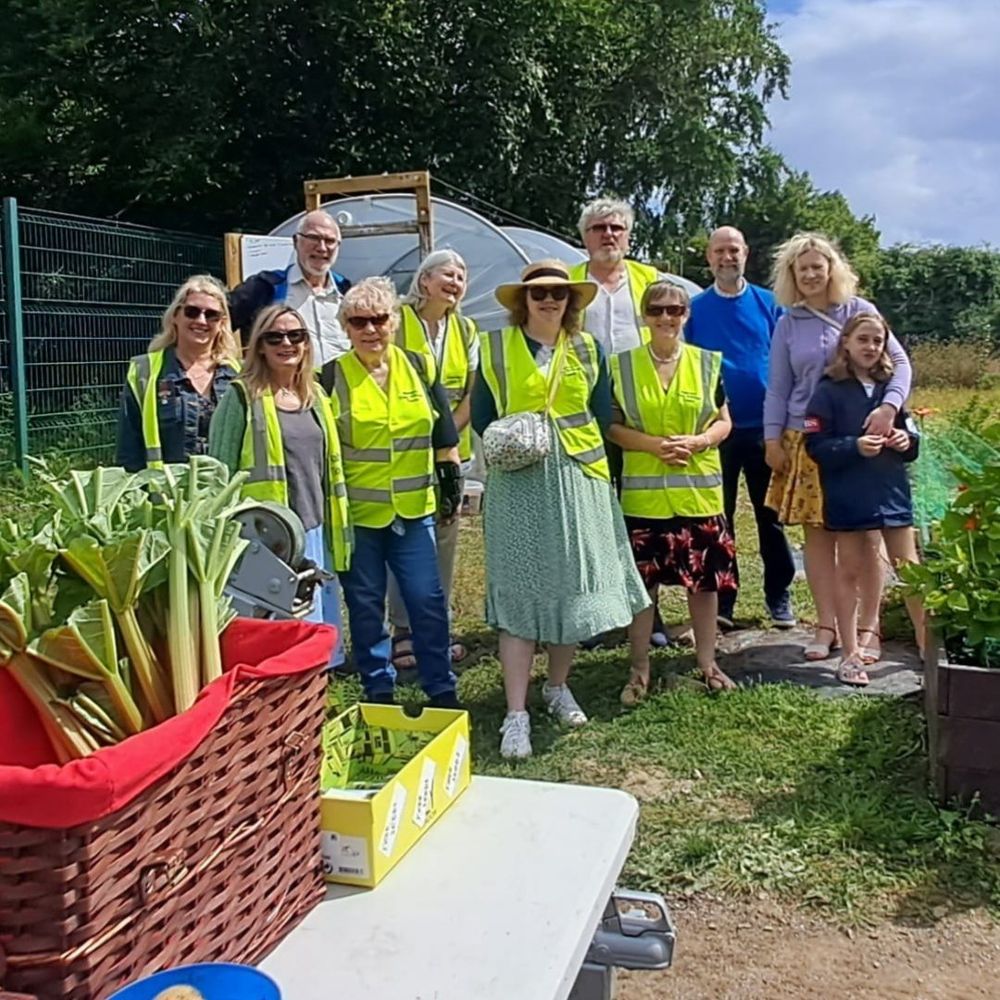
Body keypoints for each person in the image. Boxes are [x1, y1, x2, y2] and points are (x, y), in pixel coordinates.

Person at [472, 260, 649, 759]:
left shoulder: (590, 350)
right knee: (521, 591)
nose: (550, 300)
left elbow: (599, 413)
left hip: (578, 479)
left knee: (569, 588)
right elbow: (483, 418)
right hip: (519, 483)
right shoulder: (494, 349)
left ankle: (556, 685)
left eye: (559, 293)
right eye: (539, 293)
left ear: (571, 302)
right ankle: (515, 713)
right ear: (523, 302)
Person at [764, 233, 913, 663]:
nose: (810, 275)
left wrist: (888, 409)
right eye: (801, 268)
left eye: (817, 266)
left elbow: (900, 364)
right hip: (807, 438)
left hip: (863, 437)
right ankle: (827, 625)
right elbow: (778, 387)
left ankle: (870, 626)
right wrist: (773, 439)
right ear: (792, 275)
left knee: (867, 537)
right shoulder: (787, 323)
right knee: (819, 533)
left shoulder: (860, 311)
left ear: (832, 269)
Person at [320, 277, 462, 708]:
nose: (370, 329)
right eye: (358, 321)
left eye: (378, 319)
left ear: (394, 322)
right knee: (365, 605)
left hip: (414, 511)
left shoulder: (419, 367)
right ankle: (378, 687)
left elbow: (444, 433)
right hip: (360, 516)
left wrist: (450, 484)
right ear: (345, 327)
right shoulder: (328, 377)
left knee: (427, 600)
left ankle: (440, 687)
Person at [609, 280, 737, 704]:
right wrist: (654, 446)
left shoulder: (707, 363)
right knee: (643, 589)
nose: (666, 317)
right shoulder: (621, 366)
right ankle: (639, 668)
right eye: (658, 310)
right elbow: (611, 426)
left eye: (675, 309)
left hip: (698, 495)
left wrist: (700, 442)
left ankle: (707, 662)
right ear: (645, 317)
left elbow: (723, 421)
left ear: (686, 315)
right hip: (644, 499)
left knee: (703, 585)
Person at [208, 305, 349, 664]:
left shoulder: (316, 396)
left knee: (315, 629)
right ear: (259, 346)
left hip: (314, 532)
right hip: (269, 540)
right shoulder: (242, 397)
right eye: (275, 337)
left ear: (306, 344)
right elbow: (219, 473)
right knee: (279, 638)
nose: (286, 343)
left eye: (295, 336)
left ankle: (317, 698)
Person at [567, 196, 670, 647]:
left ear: (628, 236)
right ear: (584, 237)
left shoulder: (650, 281)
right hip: (585, 414)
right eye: (598, 228)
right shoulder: (567, 283)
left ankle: (648, 612)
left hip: (641, 411)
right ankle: (596, 611)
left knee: (643, 514)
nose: (608, 235)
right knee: (589, 513)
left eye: (616, 228)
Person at [686, 226, 796, 630]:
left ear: (746, 254)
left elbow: (785, 363)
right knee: (720, 517)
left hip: (766, 429)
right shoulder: (694, 310)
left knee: (771, 516)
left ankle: (778, 595)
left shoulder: (770, 304)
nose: (726, 257)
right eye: (719, 251)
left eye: (733, 250)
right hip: (718, 430)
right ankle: (724, 600)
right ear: (709, 258)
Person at [804, 313, 924, 686]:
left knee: (911, 569)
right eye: (863, 340)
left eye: (878, 341)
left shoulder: (892, 392)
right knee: (850, 570)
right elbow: (815, 445)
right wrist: (854, 446)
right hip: (848, 495)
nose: (871, 347)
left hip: (892, 494)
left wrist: (907, 442)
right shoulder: (828, 390)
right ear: (846, 344)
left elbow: (911, 436)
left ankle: (927, 644)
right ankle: (850, 653)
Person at [387, 250, 479, 668]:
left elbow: (474, 392)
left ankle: (436, 624)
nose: (456, 281)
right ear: (424, 281)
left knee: (444, 537)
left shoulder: (466, 330)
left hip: (450, 450)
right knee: (401, 534)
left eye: (462, 275)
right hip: (401, 448)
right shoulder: (395, 320)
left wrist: (446, 436)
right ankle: (403, 629)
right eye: (448, 273)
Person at [117, 274, 240, 471]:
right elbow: (129, 448)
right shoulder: (145, 372)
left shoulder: (239, 375)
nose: (201, 321)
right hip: (168, 497)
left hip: (227, 496)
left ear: (221, 323)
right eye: (192, 312)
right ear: (175, 316)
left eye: (211, 315)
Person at [229, 210, 352, 364]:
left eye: (330, 241)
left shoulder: (346, 291)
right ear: (295, 241)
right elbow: (217, 322)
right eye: (314, 238)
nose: (322, 247)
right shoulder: (265, 287)